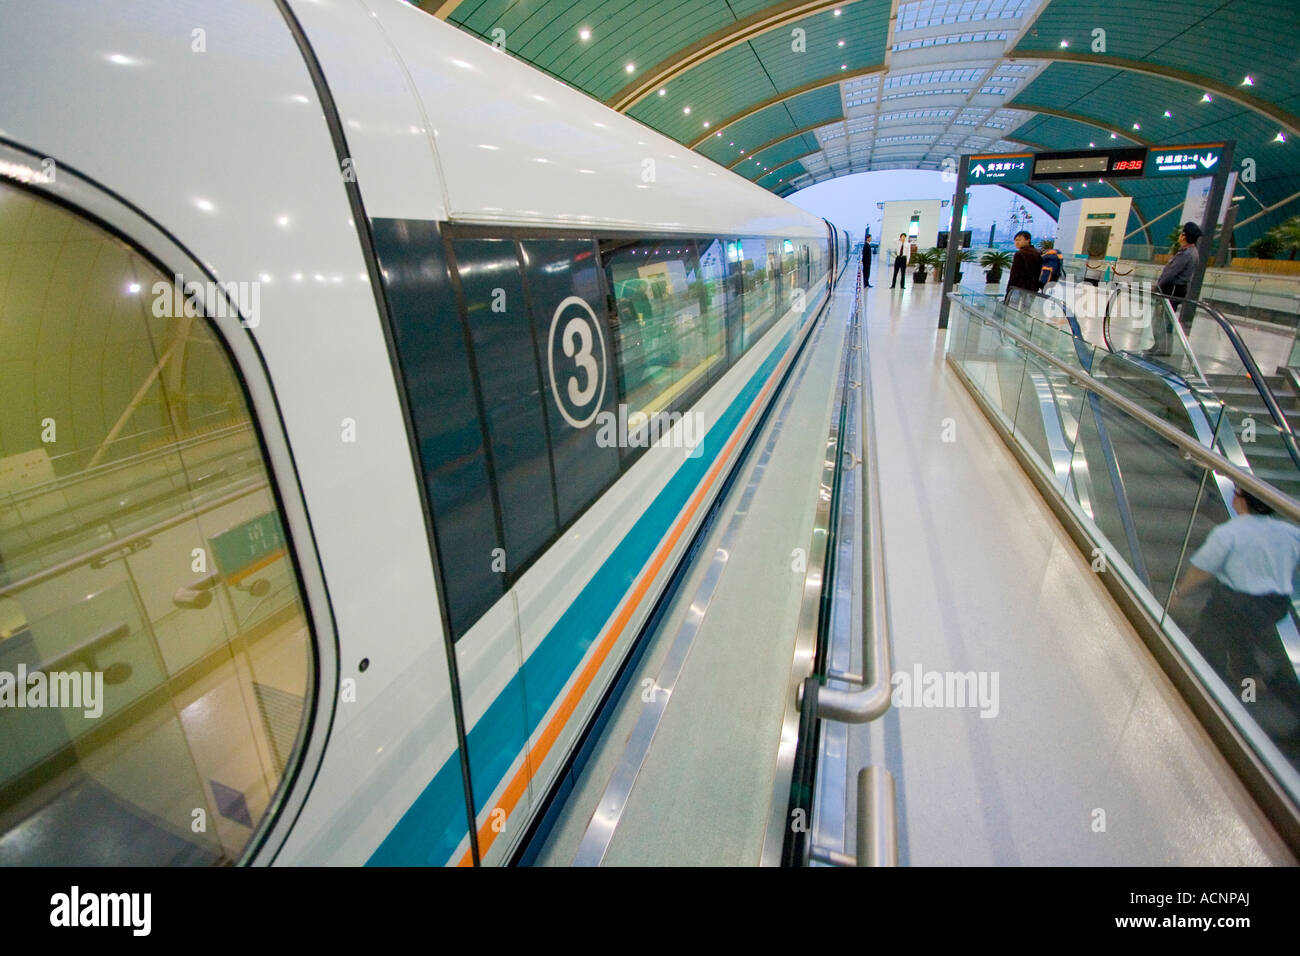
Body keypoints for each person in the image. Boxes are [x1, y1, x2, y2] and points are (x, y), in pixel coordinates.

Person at [1174, 485, 1300, 758]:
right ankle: (1254, 678)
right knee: (1243, 640)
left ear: (1241, 502)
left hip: (1235, 603)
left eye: (1237, 493)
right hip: (1273, 606)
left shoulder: (1230, 533)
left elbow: (1202, 570)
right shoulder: (1291, 533)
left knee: (1206, 644)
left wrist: (1179, 593)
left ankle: (1214, 707)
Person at [1149, 221, 1202, 357]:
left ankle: (1164, 348)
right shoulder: (1190, 252)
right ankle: (1159, 345)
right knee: (1163, 318)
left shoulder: (1186, 254)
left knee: (1163, 319)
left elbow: (1171, 273)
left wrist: (1158, 286)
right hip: (1175, 289)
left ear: (1184, 236)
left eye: (1181, 233)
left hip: (1172, 289)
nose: (1179, 236)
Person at [1006, 231, 1042, 305]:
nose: (1017, 242)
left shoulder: (1020, 254)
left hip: (1019, 288)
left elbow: (1014, 274)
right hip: (1033, 288)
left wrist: (1009, 289)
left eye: (1019, 240)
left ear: (1028, 240)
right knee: (1026, 309)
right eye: (1015, 240)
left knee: (1012, 309)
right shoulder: (1037, 252)